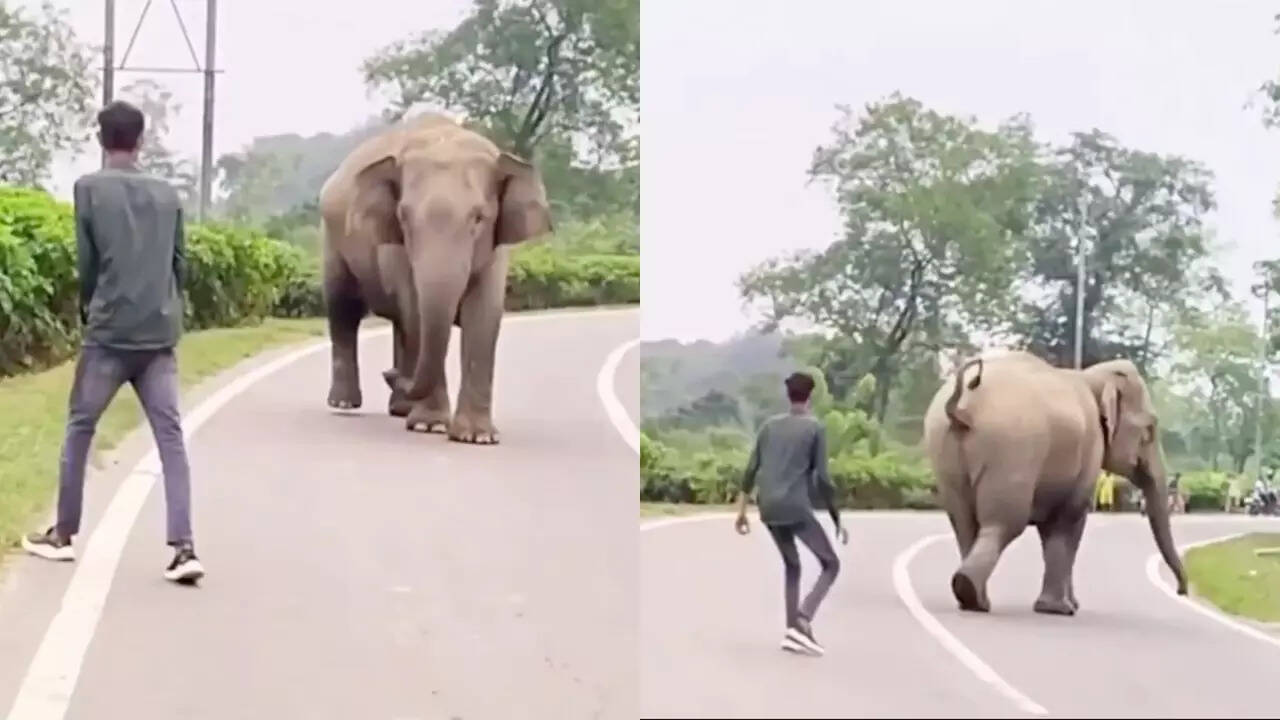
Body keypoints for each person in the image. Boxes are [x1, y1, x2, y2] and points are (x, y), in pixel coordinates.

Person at [20, 101, 204, 584]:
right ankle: (184, 548)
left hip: (109, 332)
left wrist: (90, 309)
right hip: (159, 333)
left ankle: (63, 534)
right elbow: (179, 264)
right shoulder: (168, 194)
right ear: (141, 140)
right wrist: (166, 307)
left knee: (81, 427)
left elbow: (88, 262)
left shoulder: (89, 189)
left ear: (102, 140)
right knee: (170, 437)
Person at [733, 371, 848, 657]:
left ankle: (792, 632)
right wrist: (836, 518)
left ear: (789, 395)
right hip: (795, 507)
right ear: (810, 396)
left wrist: (742, 512)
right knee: (831, 564)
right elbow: (822, 478)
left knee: (792, 566)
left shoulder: (769, 427)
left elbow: (750, 471)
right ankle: (802, 619)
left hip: (768, 507)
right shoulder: (814, 428)